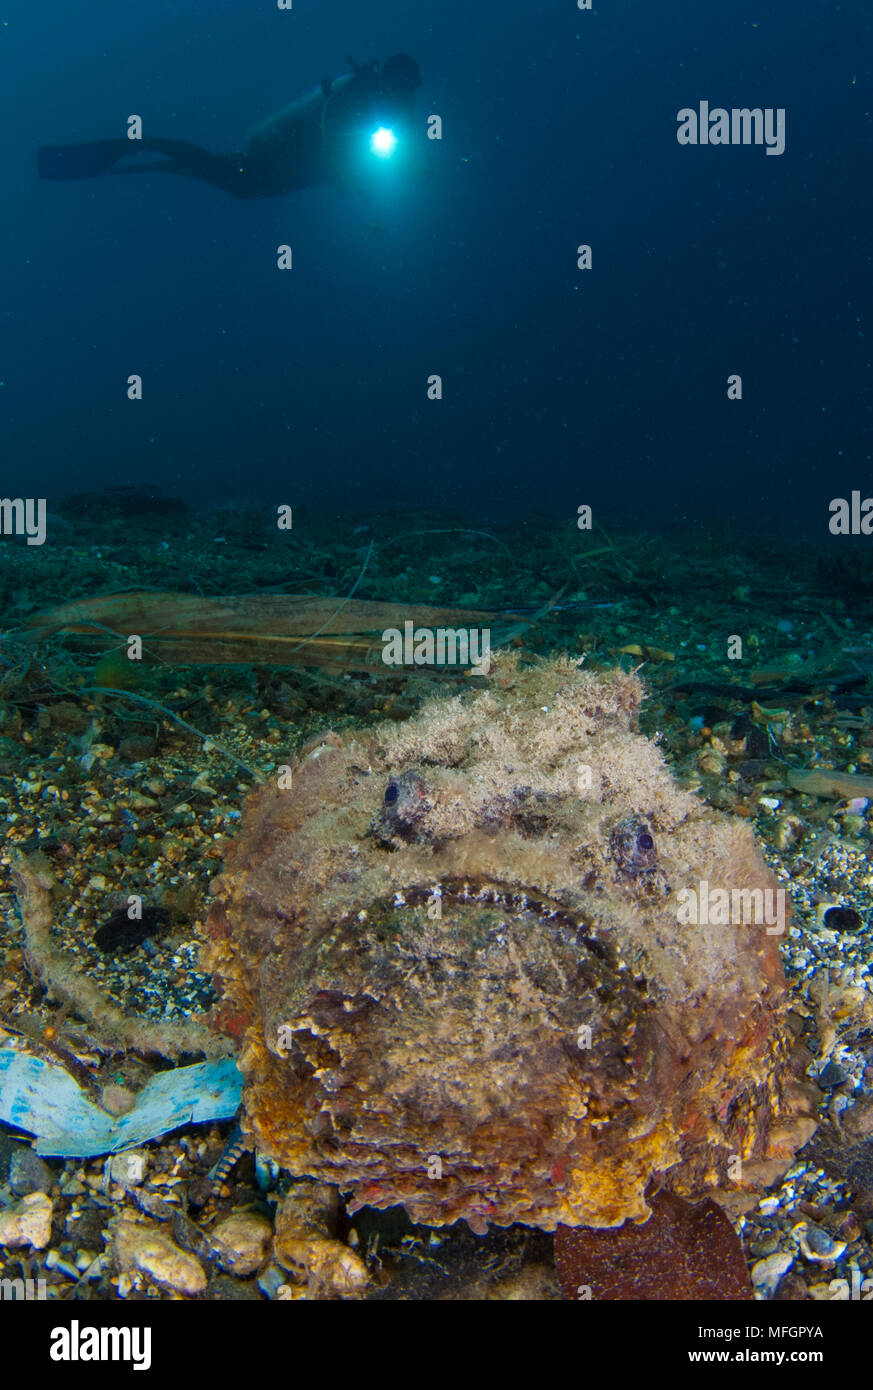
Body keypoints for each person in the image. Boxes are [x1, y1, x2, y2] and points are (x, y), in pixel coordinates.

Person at [37, 54, 422, 200]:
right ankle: (147, 148)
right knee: (219, 170)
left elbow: (346, 164)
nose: (405, 97)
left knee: (216, 171)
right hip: (270, 162)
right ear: (392, 81)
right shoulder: (357, 98)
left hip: (277, 176)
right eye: (404, 88)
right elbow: (325, 133)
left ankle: (158, 158)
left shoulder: (378, 113)